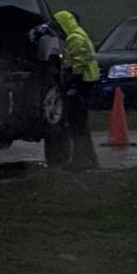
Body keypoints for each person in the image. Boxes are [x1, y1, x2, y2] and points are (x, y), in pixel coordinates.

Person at [52, 9, 100, 170]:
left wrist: (71, 83)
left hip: (81, 84)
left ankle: (81, 160)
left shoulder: (74, 38)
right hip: (85, 83)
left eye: (58, 27)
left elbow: (78, 64)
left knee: (78, 125)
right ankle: (88, 159)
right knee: (81, 125)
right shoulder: (79, 34)